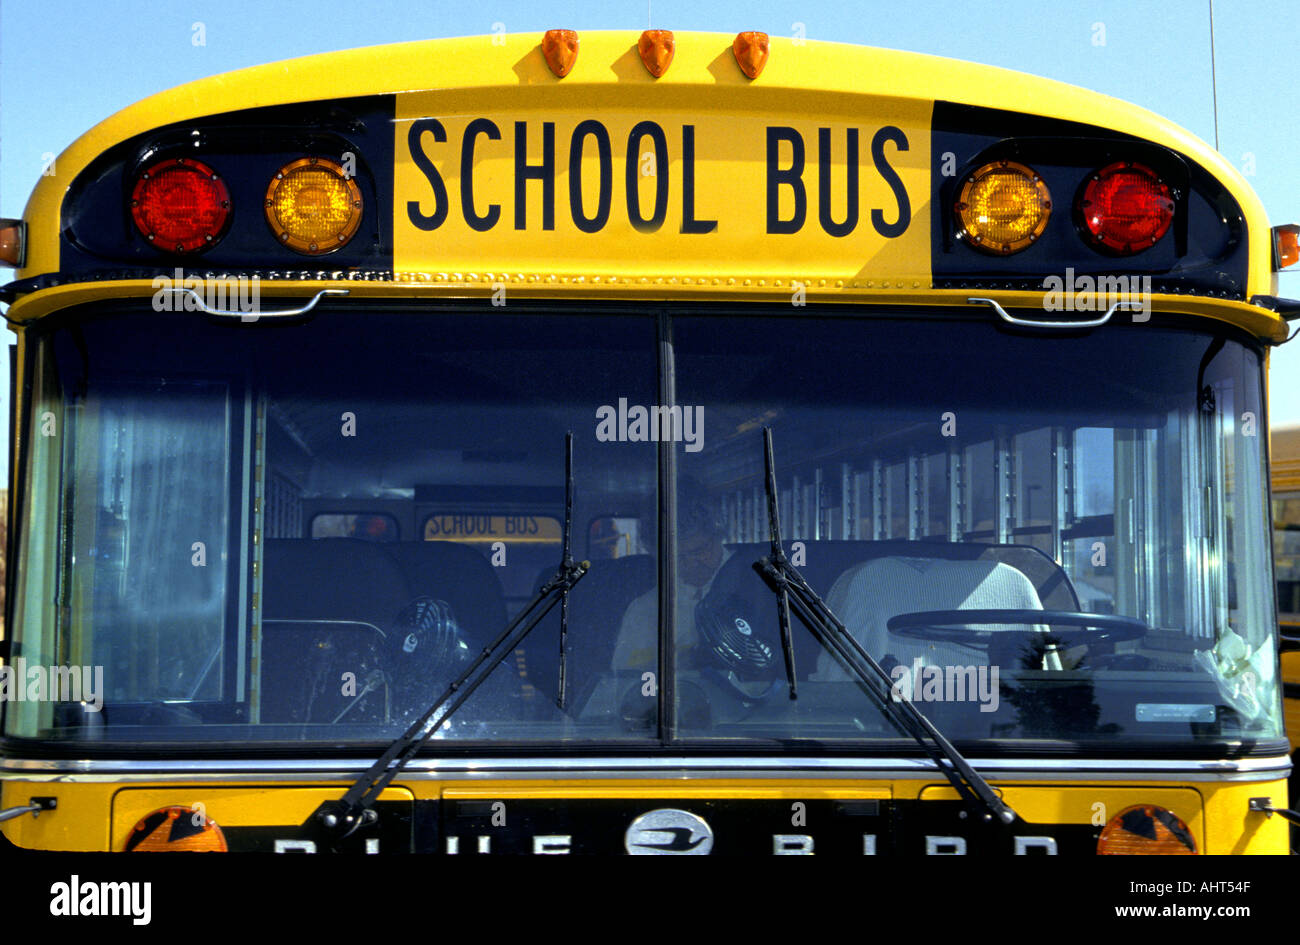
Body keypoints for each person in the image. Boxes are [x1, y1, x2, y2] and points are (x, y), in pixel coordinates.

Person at [610, 482, 731, 671]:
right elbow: (624, 683)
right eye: (677, 557)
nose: (691, 564)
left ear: (718, 535)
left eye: (700, 550)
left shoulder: (758, 586)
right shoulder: (644, 611)